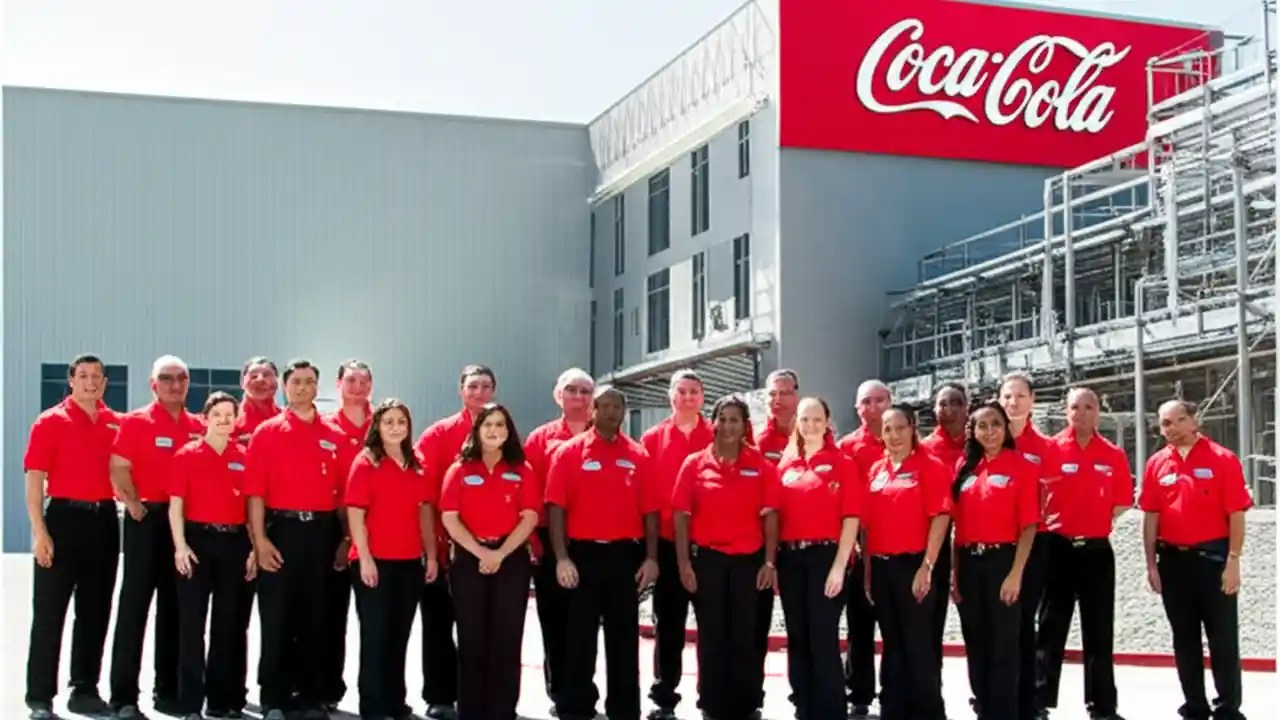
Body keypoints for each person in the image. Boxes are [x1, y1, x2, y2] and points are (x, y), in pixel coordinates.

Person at [244, 359, 354, 720]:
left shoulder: (335, 436)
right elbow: (255, 494)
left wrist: (345, 540)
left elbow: (346, 498)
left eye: (309, 382)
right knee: (276, 617)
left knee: (315, 617)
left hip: (323, 534)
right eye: (296, 382)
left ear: (317, 387)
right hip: (282, 532)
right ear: (284, 387)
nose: (303, 388)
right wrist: (260, 541)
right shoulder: (268, 433)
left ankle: (310, 697)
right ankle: (274, 698)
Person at [546, 386, 660, 720]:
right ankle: (575, 706)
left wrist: (652, 557)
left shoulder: (639, 455)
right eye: (605, 406)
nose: (611, 412)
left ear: (624, 412)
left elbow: (651, 512)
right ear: (593, 410)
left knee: (623, 637)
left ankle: (624, 709)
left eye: (617, 407)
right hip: (582, 555)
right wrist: (562, 557)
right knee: (579, 636)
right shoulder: (569, 453)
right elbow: (556, 509)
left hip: (625, 557)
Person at [23, 354, 123, 720]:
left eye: (97, 376)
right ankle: (39, 697)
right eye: (83, 376)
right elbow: (34, 480)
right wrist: (40, 532)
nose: (90, 382)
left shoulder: (116, 423)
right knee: (50, 613)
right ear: (71, 380)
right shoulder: (50, 422)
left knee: (95, 612)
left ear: (105, 383)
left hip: (104, 522)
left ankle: (84, 690)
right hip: (63, 520)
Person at [1140, 399, 1252, 720]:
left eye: (1178, 420)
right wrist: (1151, 565)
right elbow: (1150, 517)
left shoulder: (1222, 459)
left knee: (1223, 638)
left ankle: (1228, 706)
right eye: (1164, 423)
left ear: (1194, 420)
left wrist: (1234, 561)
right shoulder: (1157, 464)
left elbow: (1236, 515)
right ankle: (1195, 705)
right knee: (1184, 638)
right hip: (1173, 563)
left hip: (1214, 560)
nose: (1171, 429)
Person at [109, 355, 206, 718]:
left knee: (176, 609)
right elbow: (118, 466)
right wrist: (132, 502)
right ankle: (123, 697)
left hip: (185, 525)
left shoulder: (198, 425)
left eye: (181, 378)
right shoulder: (135, 422)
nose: (175, 385)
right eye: (166, 379)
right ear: (153, 384)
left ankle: (168, 692)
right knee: (134, 607)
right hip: (147, 519)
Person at [672, 394, 780, 720]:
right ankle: (711, 703)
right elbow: (680, 515)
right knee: (712, 635)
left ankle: (747, 703)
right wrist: (684, 564)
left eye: (736, 420)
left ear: (745, 425)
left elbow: (771, 516)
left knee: (746, 635)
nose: (729, 426)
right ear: (714, 422)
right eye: (724, 418)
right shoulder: (694, 464)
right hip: (709, 562)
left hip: (749, 563)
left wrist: (769, 562)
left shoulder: (761, 465)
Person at [1036, 387, 1132, 720]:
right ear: (1066, 411)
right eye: (1075, 407)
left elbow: (1121, 502)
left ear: (1098, 411)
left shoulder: (1113, 454)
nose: (1082, 413)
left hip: (1096, 551)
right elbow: (1037, 496)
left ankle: (1102, 706)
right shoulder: (1051, 449)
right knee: (1050, 628)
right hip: (1058, 548)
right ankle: (1039, 701)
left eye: (1089, 406)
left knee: (1099, 629)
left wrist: (1094, 518)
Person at [440, 403, 540, 720]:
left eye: (500, 424)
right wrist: (481, 553)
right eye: (487, 425)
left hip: (511, 560)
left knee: (507, 638)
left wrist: (499, 553)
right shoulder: (460, 469)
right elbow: (450, 518)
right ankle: (471, 710)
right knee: (471, 639)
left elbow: (530, 517)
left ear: (509, 431)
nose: (494, 430)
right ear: (477, 430)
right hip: (470, 559)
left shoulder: (522, 469)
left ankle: (502, 709)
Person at [414, 364, 498, 720]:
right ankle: (441, 695)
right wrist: (433, 544)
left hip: (489, 549)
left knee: (483, 627)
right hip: (443, 546)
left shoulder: (501, 432)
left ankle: (480, 695)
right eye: (473, 386)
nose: (479, 393)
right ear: (461, 390)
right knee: (438, 623)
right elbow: (423, 494)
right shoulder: (438, 434)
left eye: (486, 386)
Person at [347, 399, 439, 720]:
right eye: (388, 422)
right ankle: (372, 706)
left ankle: (394, 701)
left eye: (401, 421)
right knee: (375, 636)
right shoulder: (366, 462)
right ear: (377, 425)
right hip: (375, 563)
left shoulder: (417, 463)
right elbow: (356, 515)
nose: (395, 427)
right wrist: (366, 559)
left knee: (399, 636)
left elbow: (425, 513)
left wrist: (431, 555)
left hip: (409, 562)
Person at [169, 391, 257, 720]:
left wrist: (252, 548)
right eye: (217, 414)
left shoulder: (244, 456)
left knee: (229, 624)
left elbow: (251, 507)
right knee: (192, 625)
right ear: (205, 419)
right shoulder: (187, 454)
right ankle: (191, 702)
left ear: (236, 421)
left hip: (234, 544)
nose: (223, 420)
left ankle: (222, 702)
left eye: (229, 415)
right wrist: (180, 546)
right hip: (196, 542)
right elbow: (176, 506)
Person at [950, 401, 1040, 720]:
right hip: (969, 564)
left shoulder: (1022, 467)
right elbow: (954, 527)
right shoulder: (964, 468)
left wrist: (1016, 573)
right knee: (976, 640)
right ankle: (984, 708)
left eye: (996, 424)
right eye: (982, 426)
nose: (990, 432)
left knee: (1004, 645)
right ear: (972, 432)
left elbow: (1029, 526)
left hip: (1005, 562)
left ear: (1006, 429)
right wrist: (954, 574)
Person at [862, 405, 951, 720]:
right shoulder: (876, 471)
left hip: (914, 567)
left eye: (900, 428)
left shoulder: (931, 466)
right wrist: (869, 574)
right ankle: (893, 709)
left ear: (913, 428)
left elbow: (940, 518)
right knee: (892, 644)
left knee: (918, 645)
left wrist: (926, 566)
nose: (894, 435)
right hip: (883, 569)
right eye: (887, 429)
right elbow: (869, 528)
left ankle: (928, 712)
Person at [774, 396, 859, 720]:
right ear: (797, 422)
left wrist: (839, 566)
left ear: (827, 424)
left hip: (826, 558)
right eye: (804, 419)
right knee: (798, 635)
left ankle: (831, 711)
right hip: (791, 560)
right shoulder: (785, 466)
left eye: (817, 420)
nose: (810, 425)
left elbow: (851, 517)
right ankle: (804, 708)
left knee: (822, 637)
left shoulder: (843, 463)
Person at [639, 369, 712, 720]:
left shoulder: (718, 435)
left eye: (694, 392)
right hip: (668, 546)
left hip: (709, 546)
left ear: (703, 396)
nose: (687, 397)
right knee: (668, 625)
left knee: (712, 626)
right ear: (671, 396)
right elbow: (645, 498)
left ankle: (710, 697)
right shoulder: (653, 439)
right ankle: (664, 697)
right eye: (681, 391)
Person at [523, 368, 595, 712]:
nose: (578, 398)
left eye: (585, 391)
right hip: (550, 542)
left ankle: (583, 690)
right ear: (558, 396)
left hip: (593, 542)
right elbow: (528, 490)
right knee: (555, 620)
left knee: (586, 624)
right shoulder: (541, 438)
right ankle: (559, 692)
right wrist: (534, 540)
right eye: (571, 390)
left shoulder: (607, 435)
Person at [998, 371, 1059, 720]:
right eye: (1007, 396)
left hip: (1033, 542)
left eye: (1020, 396)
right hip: (994, 542)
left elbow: (1050, 497)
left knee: (1025, 622)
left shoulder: (1046, 448)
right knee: (1000, 623)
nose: (1013, 403)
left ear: (1032, 401)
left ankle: (1029, 699)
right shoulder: (989, 440)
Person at [320, 359, 375, 712]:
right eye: (350, 380)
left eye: (363, 380)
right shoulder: (324, 427)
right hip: (332, 531)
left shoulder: (385, 425)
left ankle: (378, 695)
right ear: (338, 384)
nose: (357, 386)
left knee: (375, 622)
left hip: (379, 533)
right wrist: (344, 539)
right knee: (328, 616)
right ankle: (326, 688)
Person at [836, 379, 891, 718]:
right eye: (866, 402)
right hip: (858, 550)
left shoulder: (904, 440)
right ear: (857, 408)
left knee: (895, 627)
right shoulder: (847, 448)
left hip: (896, 547)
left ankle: (894, 691)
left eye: (880, 400)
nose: (873, 407)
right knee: (859, 626)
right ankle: (858, 694)